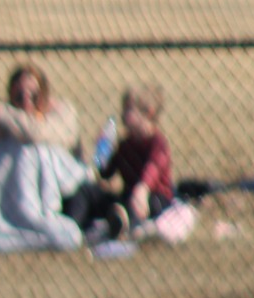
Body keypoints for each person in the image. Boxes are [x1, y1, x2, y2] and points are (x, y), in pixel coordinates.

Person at [66, 83, 174, 243]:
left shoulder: (157, 143)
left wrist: (142, 189)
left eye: (129, 110)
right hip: (128, 197)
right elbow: (106, 173)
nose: (123, 115)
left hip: (154, 198)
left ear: (148, 112)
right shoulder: (125, 144)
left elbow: (153, 168)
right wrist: (102, 152)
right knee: (87, 191)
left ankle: (123, 226)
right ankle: (71, 228)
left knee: (139, 204)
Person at [0, 62, 79, 155]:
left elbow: (36, 134)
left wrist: (7, 117)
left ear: (43, 94)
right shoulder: (4, 114)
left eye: (33, 96)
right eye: (19, 96)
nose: (25, 101)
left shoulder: (63, 111)